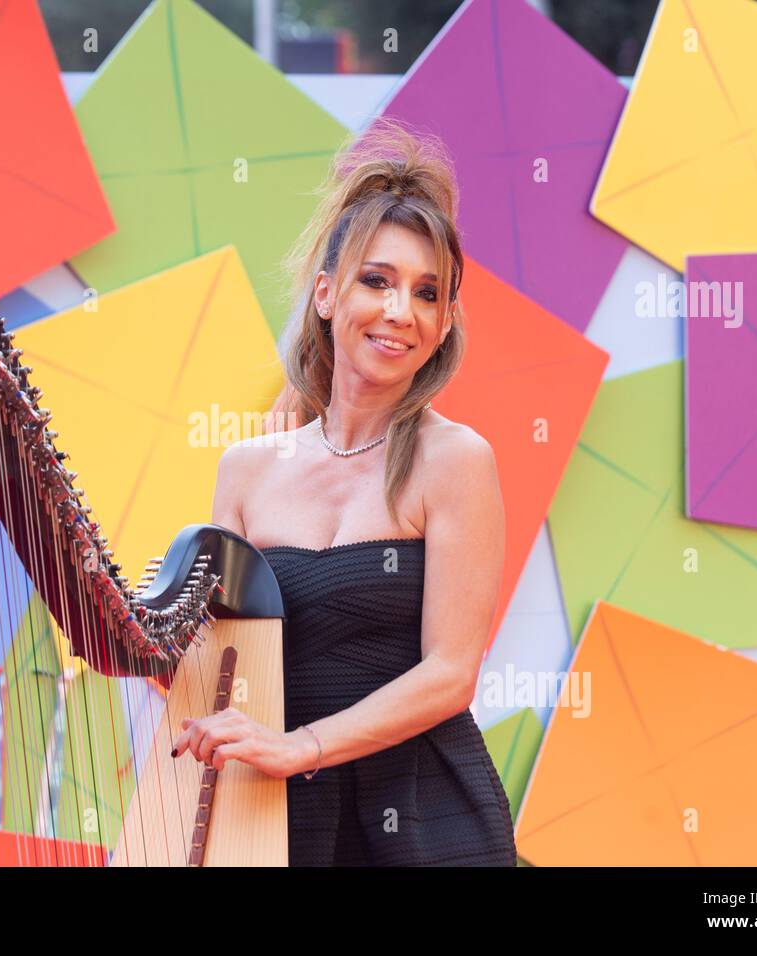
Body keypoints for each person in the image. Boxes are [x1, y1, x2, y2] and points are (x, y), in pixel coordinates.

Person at [169, 119, 517, 866]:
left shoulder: (456, 461)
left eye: (428, 294)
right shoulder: (247, 468)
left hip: (428, 822)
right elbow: (217, 669)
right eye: (377, 281)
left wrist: (304, 747)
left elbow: (450, 674)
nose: (401, 313)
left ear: (446, 319)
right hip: (277, 816)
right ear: (326, 293)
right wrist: (131, 646)